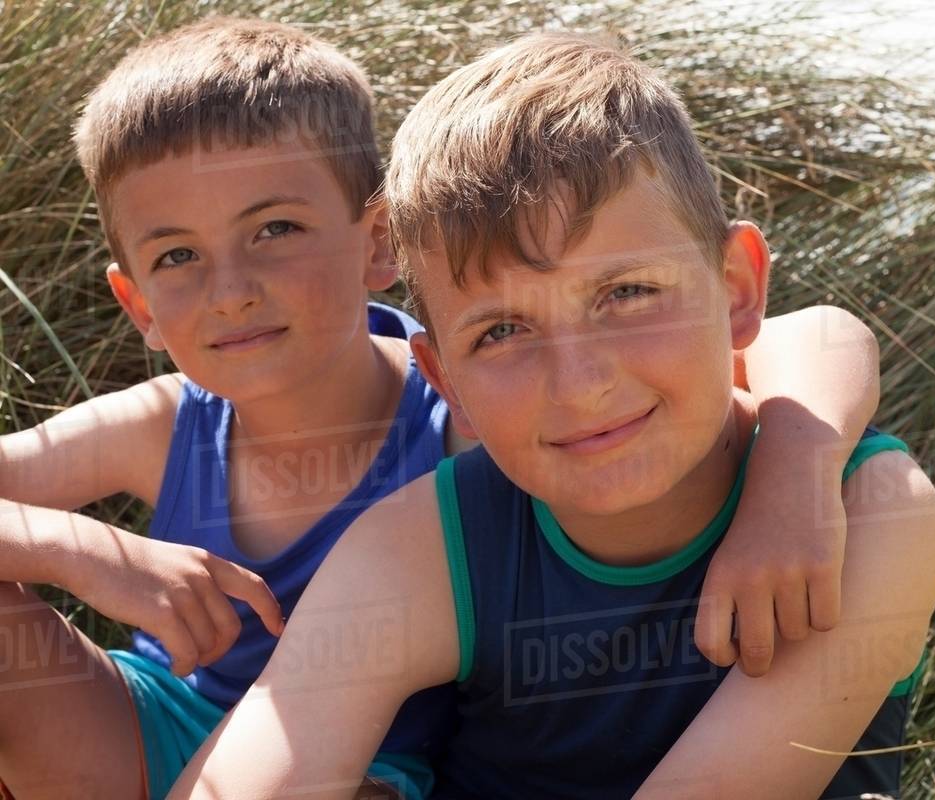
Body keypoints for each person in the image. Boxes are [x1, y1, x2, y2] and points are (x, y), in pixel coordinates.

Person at [0, 19, 889, 800]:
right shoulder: (166, 424)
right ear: (137, 304)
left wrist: (795, 474)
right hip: (152, 727)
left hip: (380, 766)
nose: (231, 291)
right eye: (178, 256)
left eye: (275, 230)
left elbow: (811, 331)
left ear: (376, 240)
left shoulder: (476, 403)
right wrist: (86, 552)